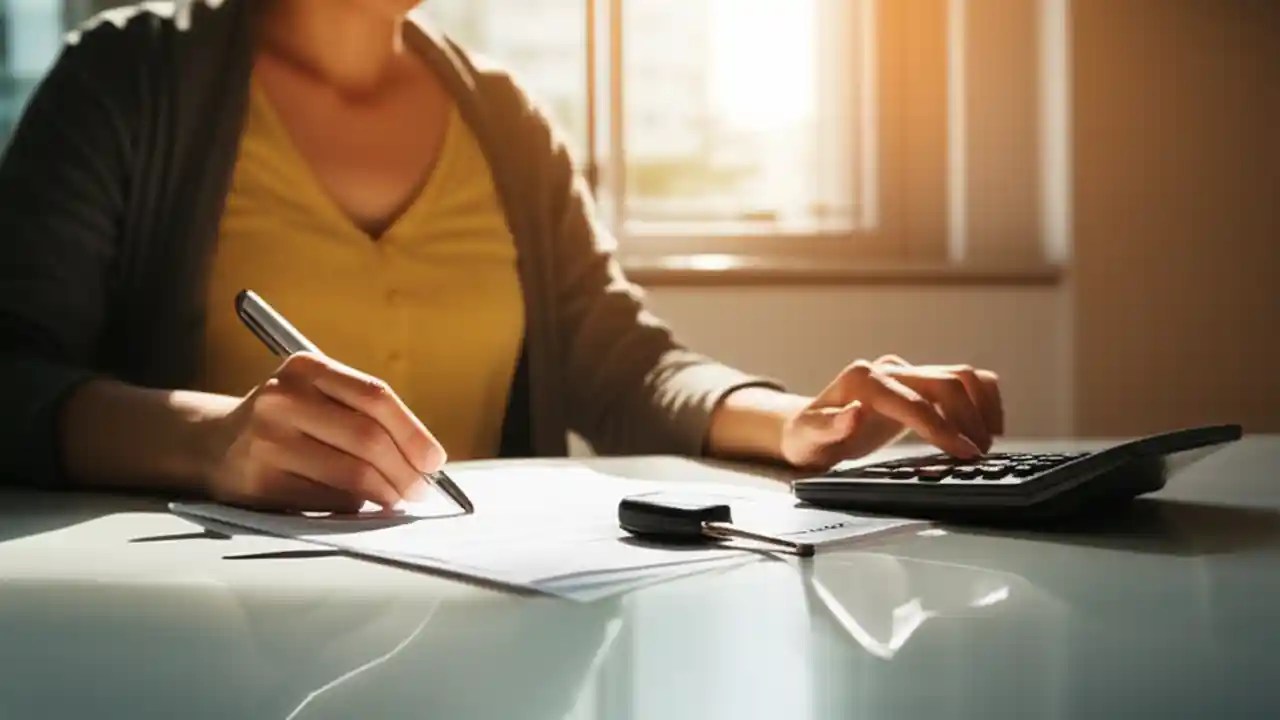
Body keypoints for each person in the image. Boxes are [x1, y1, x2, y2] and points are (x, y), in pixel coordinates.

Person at [0, 0, 1003, 512]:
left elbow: (623, 360)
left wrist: (798, 422)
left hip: (475, 620)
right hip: (188, 644)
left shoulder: (506, 120)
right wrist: (208, 443)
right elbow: (12, 376)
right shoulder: (127, 83)